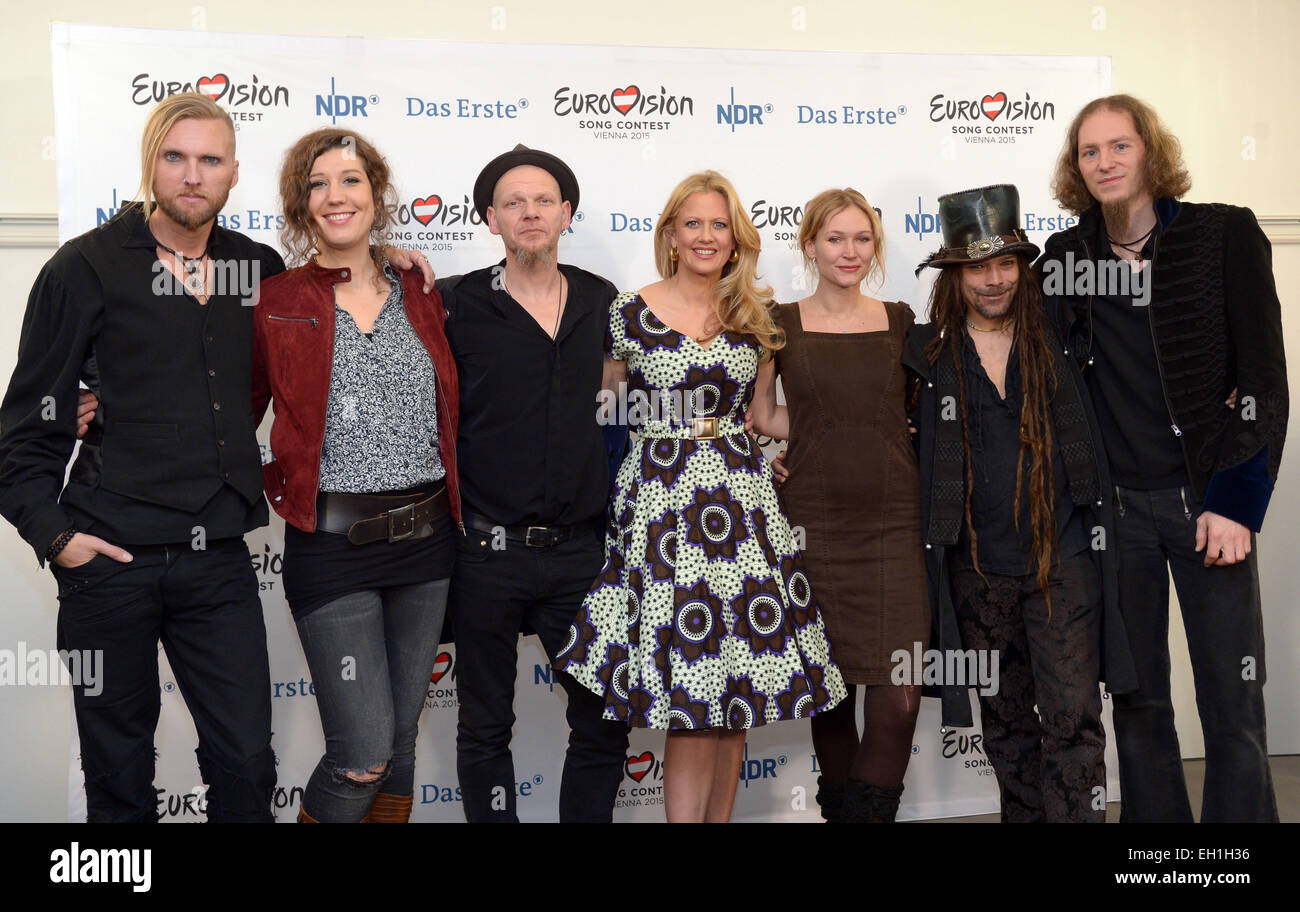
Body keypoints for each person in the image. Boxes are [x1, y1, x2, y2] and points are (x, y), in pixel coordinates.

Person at [0, 93, 283, 822]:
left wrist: (394, 265)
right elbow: (26, 430)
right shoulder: (84, 268)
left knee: (248, 763)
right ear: (151, 165)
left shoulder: (256, 268)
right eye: (176, 157)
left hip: (217, 558)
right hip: (108, 560)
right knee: (119, 774)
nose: (193, 175)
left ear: (232, 173)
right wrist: (57, 541)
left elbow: (306, 343)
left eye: (209, 160)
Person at [556, 170, 847, 823]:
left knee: (736, 692)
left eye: (719, 224)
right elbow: (605, 412)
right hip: (661, 506)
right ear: (671, 234)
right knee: (692, 696)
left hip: (743, 507)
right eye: (694, 223)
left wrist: (857, 432)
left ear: (736, 236)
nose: (707, 235)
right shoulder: (627, 311)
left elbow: (767, 416)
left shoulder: (755, 315)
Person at [1041, 94, 1288, 822]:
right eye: (1090, 151)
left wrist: (1237, 504)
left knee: (1231, 697)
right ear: (1076, 168)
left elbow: (1264, 384)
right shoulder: (1066, 258)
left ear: (1150, 151)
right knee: (1139, 701)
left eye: (1120, 146)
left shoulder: (1223, 234)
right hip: (1115, 518)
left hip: (1208, 505)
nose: (1105, 162)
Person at [907, 184, 1136, 822]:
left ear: (1023, 268)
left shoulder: (1060, 338)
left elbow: (1142, 351)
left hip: (1063, 561)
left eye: (1005, 263)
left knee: (1074, 721)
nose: (993, 279)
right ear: (954, 275)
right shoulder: (925, 357)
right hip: (976, 574)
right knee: (1006, 731)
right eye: (977, 267)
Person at [250, 128, 460, 823]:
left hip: (428, 544)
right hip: (333, 548)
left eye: (351, 181)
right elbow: (228, 411)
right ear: (301, 203)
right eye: (318, 183)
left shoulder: (421, 288)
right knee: (361, 751)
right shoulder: (275, 300)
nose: (336, 195)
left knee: (398, 745)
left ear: (377, 194)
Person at [438, 145, 629, 823]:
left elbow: (629, 409)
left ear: (566, 213)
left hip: (579, 551)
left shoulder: (602, 300)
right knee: (485, 727)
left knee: (605, 719)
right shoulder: (455, 303)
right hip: (485, 552)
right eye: (512, 202)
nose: (530, 212)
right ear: (490, 219)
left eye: (543, 200)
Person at [747, 188, 927, 823]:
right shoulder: (779, 324)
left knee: (900, 701)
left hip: (895, 527)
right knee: (830, 695)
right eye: (835, 238)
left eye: (861, 238)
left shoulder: (901, 320)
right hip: (812, 527)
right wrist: (809, 440)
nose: (849, 251)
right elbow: (761, 414)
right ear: (810, 245)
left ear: (875, 246)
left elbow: (917, 414)